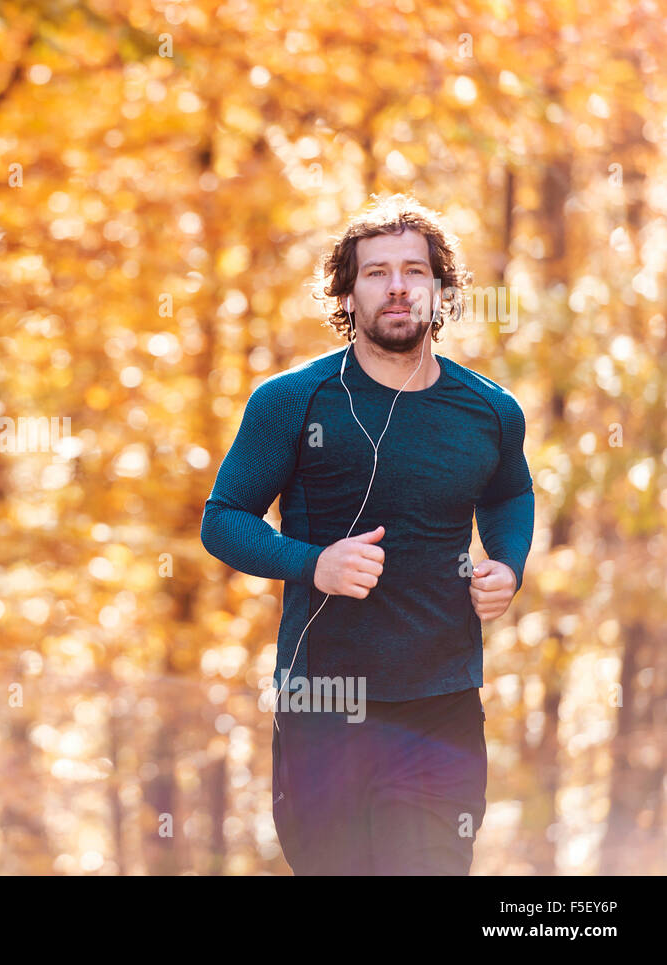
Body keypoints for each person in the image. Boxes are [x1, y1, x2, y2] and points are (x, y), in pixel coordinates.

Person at [200, 194, 534, 875]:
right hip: (324, 703)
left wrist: (508, 564)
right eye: (377, 272)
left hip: (442, 703)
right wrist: (314, 563)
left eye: (415, 270)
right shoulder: (292, 401)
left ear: (441, 289)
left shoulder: (490, 410)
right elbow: (224, 517)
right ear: (347, 294)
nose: (398, 286)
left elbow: (510, 492)